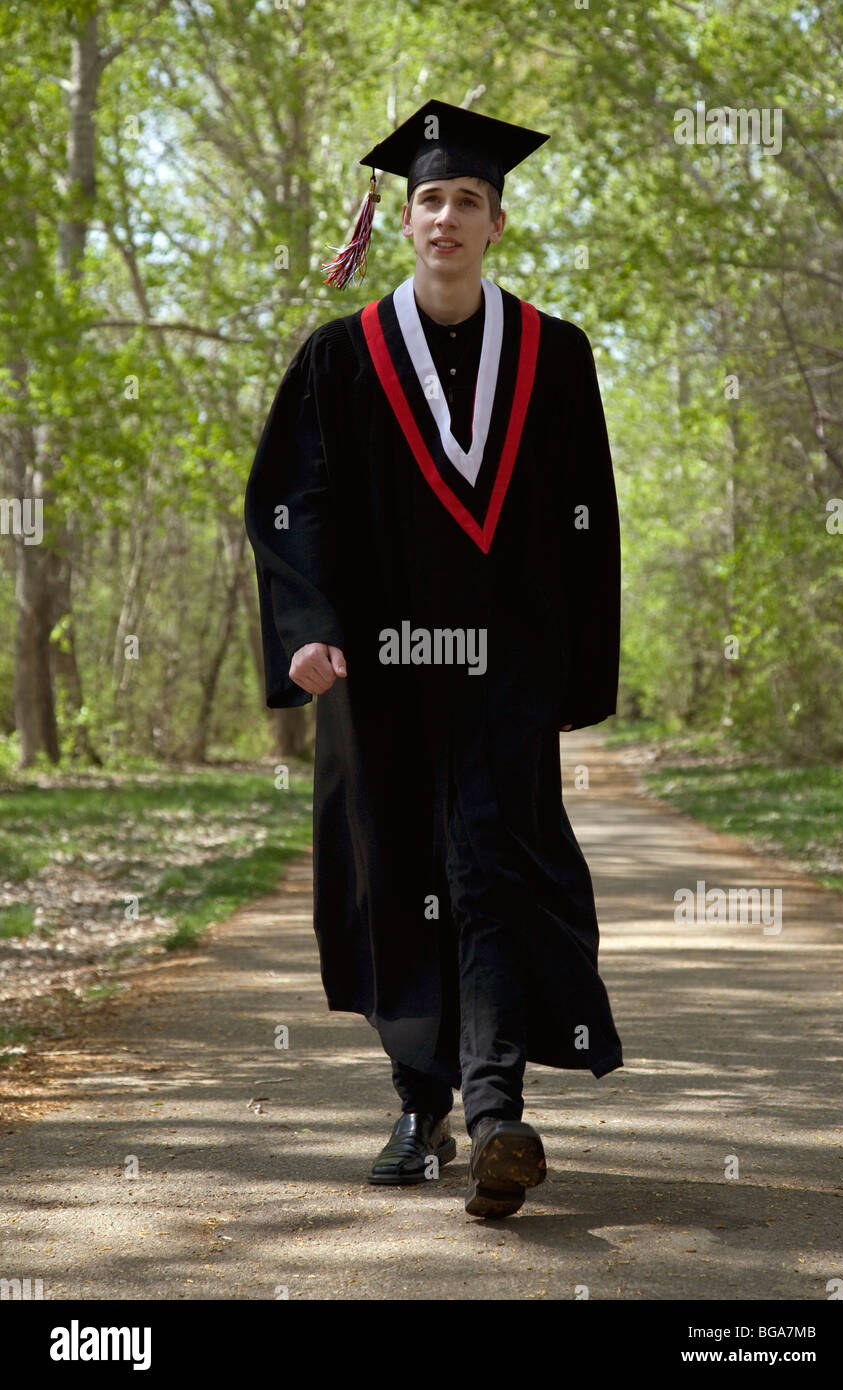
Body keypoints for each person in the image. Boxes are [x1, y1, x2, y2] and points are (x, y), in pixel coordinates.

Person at [244, 99, 623, 1219]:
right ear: (402, 221)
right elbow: (292, 503)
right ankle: (420, 1102)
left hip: (505, 672)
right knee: (398, 878)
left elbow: (587, 517)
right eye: (429, 200)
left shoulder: (554, 354)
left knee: (492, 874)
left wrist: (576, 671)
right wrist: (307, 626)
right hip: (380, 674)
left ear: (497, 223)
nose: (446, 216)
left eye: (466, 200)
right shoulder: (340, 357)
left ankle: (497, 1113)